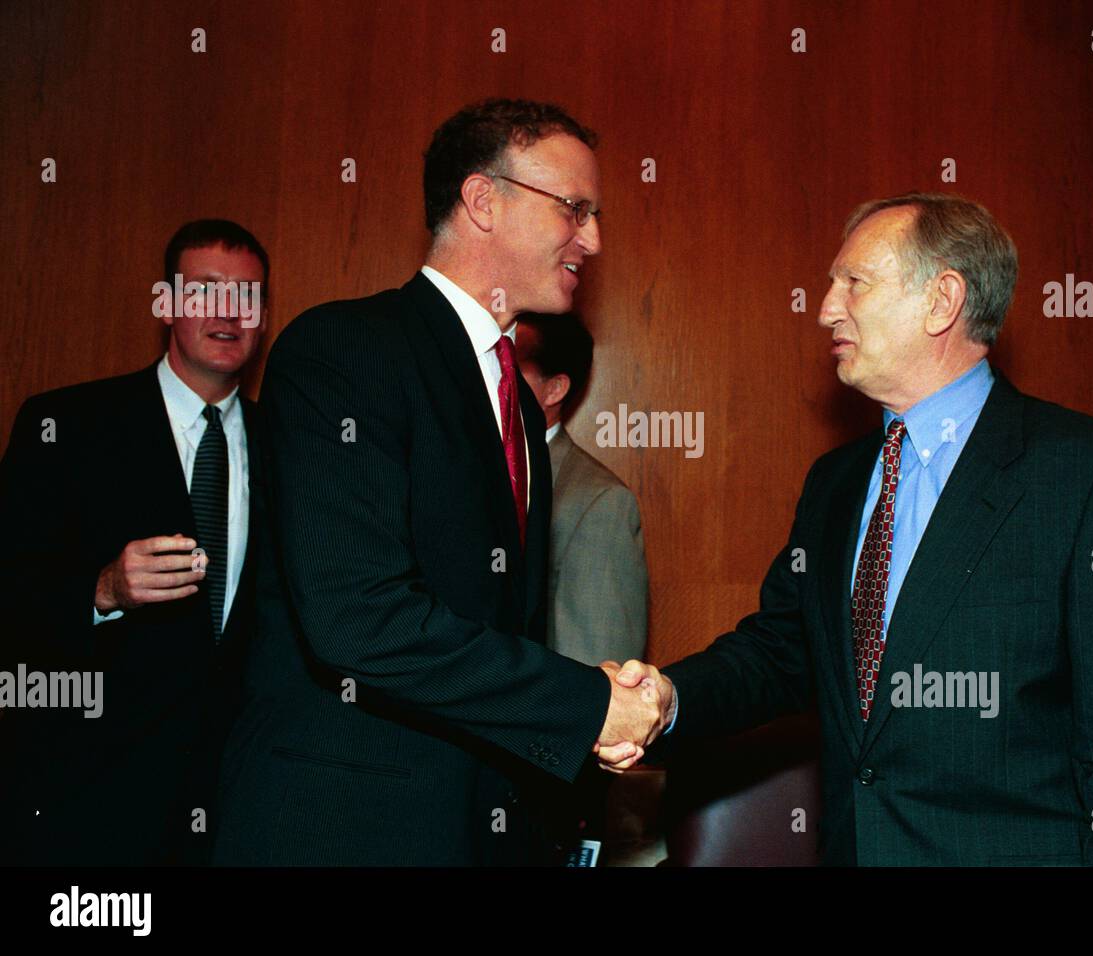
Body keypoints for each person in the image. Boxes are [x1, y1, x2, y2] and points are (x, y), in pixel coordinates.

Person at [605, 193, 1093, 866]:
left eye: (853, 282)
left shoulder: (1090, 476)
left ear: (941, 300)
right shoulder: (836, 483)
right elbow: (783, 651)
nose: (827, 307)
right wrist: (666, 698)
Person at [212, 99, 666, 867]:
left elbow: (492, 627)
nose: (592, 238)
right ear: (483, 201)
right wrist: (584, 703)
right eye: (574, 209)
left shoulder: (516, 401)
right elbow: (357, 617)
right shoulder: (343, 350)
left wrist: (582, 700)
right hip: (343, 834)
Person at [0, 218, 269, 864]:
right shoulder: (65, 425)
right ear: (168, 304)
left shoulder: (291, 449)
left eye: (248, 295)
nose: (229, 313)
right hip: (89, 807)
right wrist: (103, 589)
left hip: (234, 814)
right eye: (205, 291)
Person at [515, 312, 648, 667]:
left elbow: (597, 679)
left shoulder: (599, 504)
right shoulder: (463, 469)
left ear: (555, 388)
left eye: (510, 365)